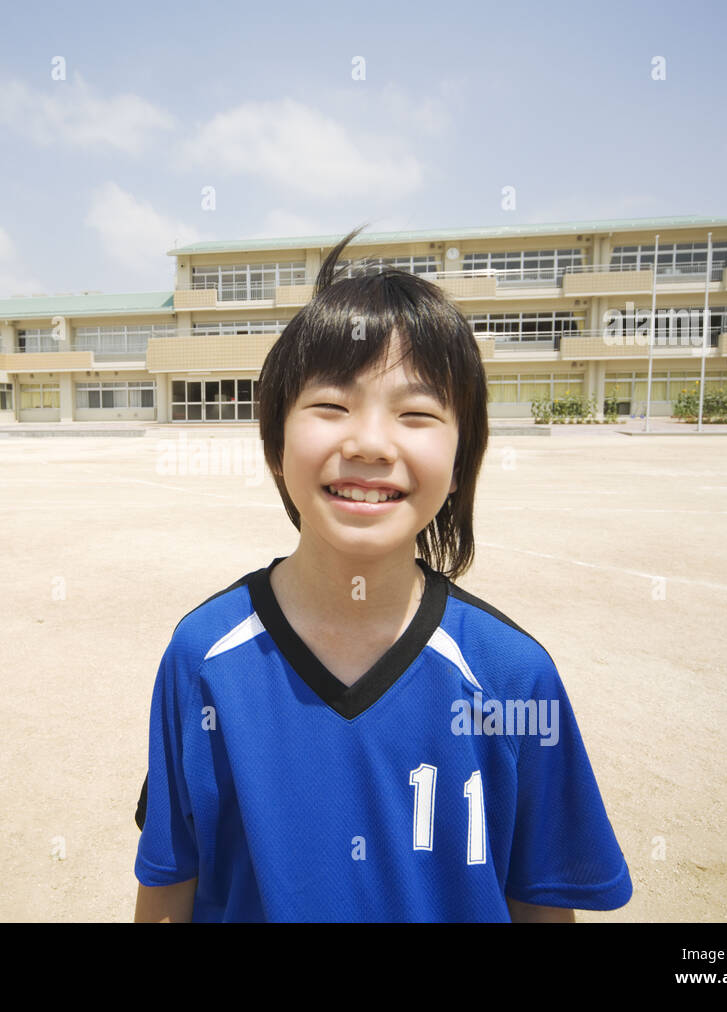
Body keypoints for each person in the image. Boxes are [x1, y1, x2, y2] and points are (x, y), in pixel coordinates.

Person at [132, 224, 632, 922]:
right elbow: (168, 884)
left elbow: (542, 906)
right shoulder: (202, 656)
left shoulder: (515, 676)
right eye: (331, 406)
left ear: (462, 462)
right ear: (276, 441)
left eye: (417, 414)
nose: (368, 443)